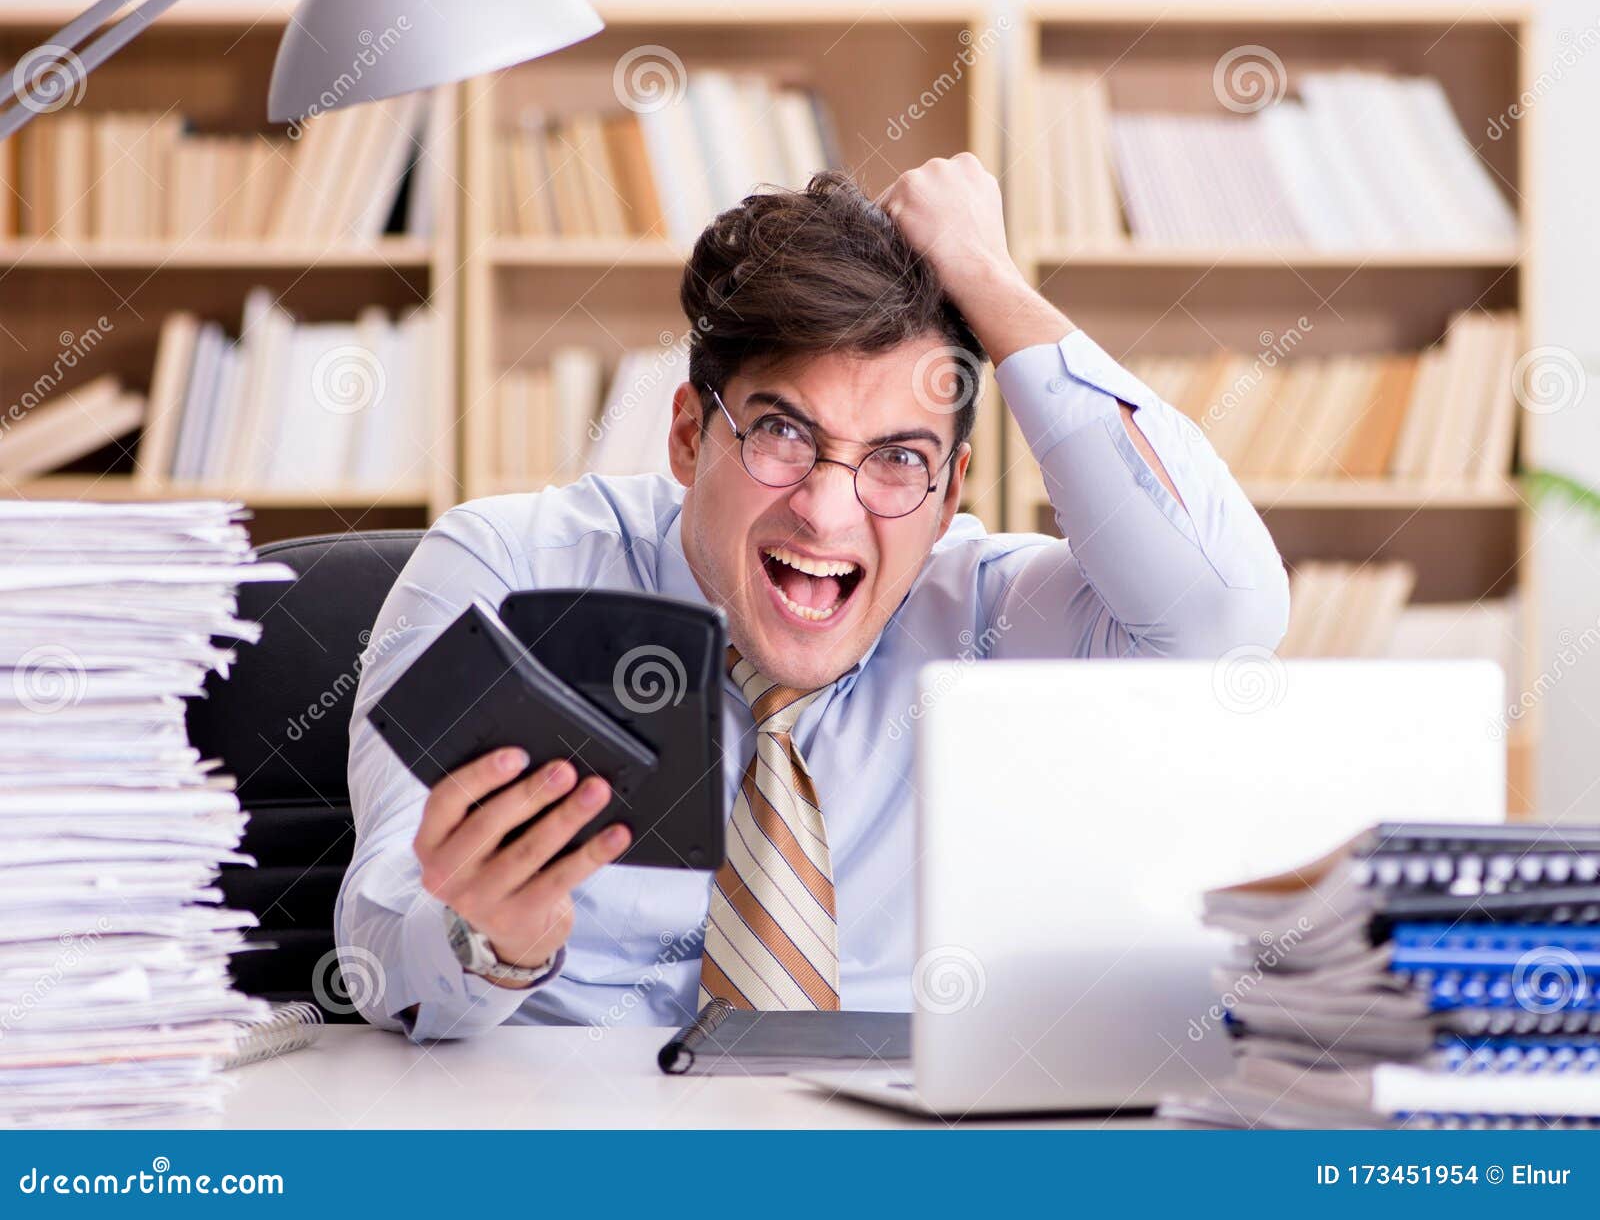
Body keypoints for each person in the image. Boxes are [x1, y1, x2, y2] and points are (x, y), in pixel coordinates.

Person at [337, 156, 1289, 1040]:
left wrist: (988, 278)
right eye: (783, 433)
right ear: (687, 436)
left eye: (898, 457)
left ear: (949, 494)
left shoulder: (990, 619)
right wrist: (493, 939)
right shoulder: (509, 571)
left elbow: (1222, 614)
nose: (827, 513)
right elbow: (375, 952)